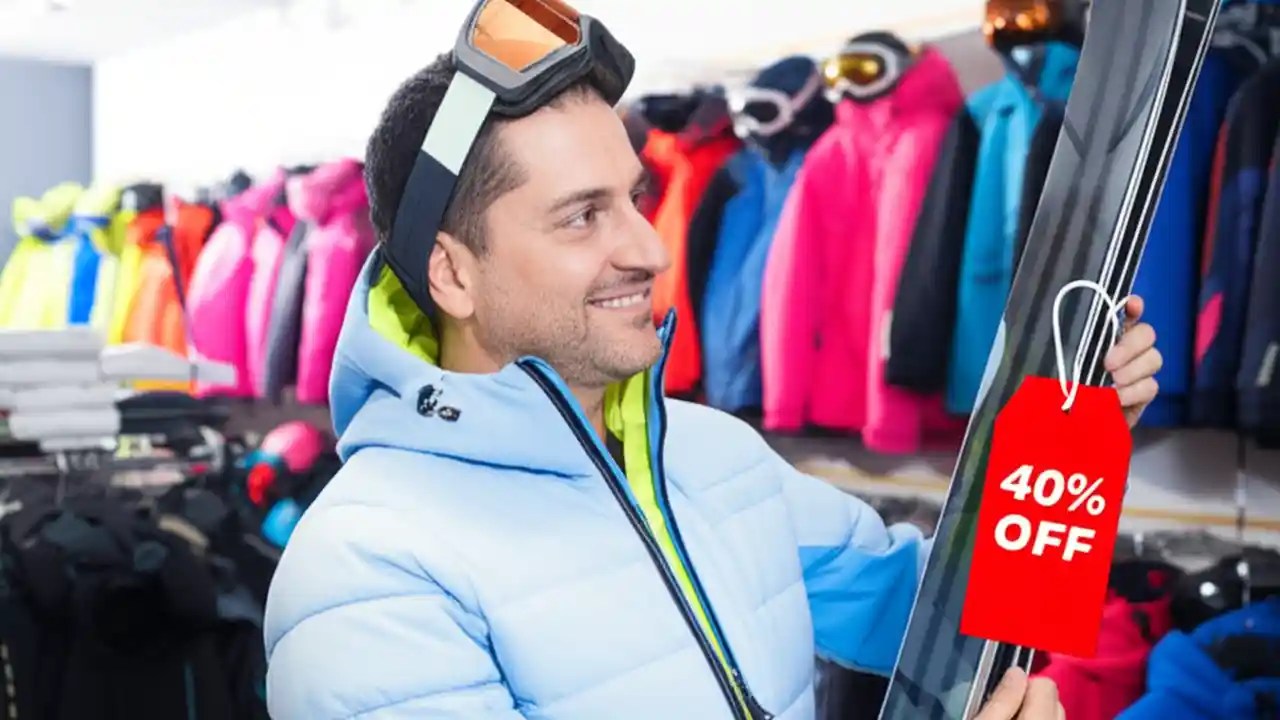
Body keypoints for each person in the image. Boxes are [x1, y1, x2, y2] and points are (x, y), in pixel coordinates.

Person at [261, 5, 1163, 719]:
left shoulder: (713, 458)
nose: (651, 252)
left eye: (633, 199)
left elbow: (945, 620)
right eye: (582, 216)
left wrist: (1071, 449)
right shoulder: (370, 570)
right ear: (451, 273)